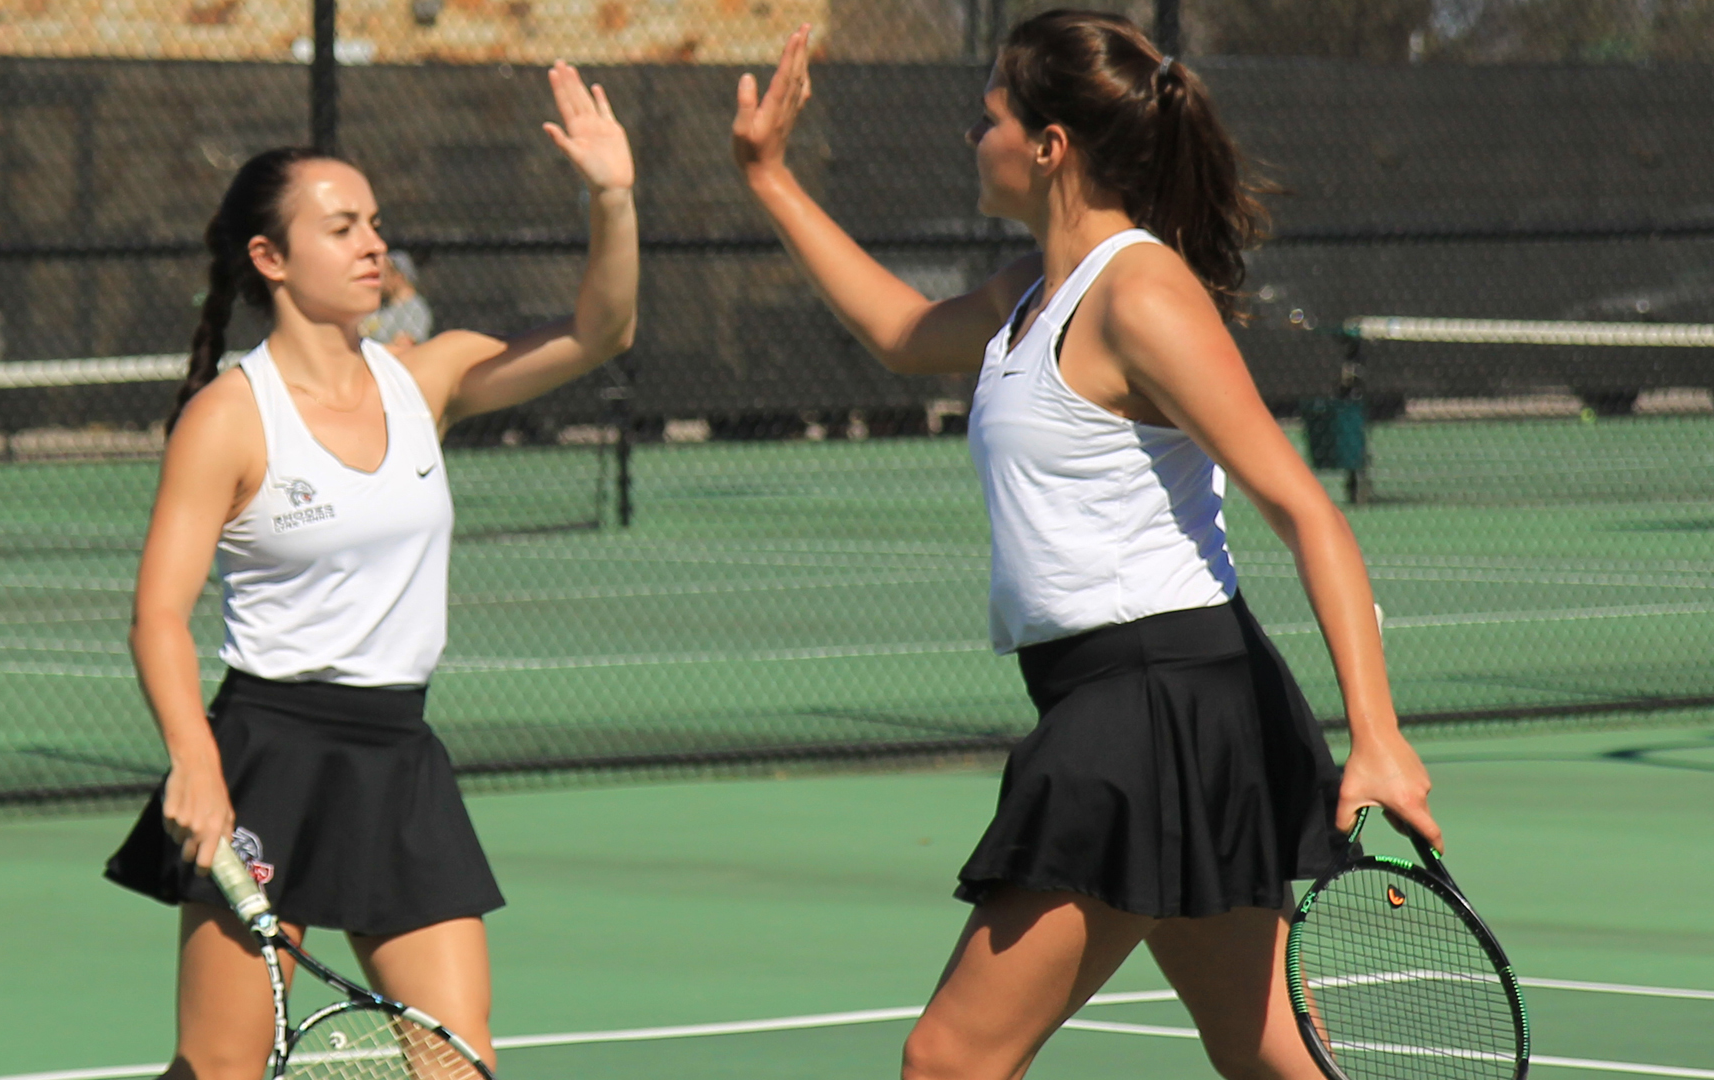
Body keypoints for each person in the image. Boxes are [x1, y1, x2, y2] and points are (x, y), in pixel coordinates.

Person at [732, 15, 1437, 1080]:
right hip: (1146, 703)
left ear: (1050, 144)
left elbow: (1305, 506)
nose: (974, 137)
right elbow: (899, 332)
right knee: (1271, 1056)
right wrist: (768, 176)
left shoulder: (1142, 293)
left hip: (1154, 702)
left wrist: (1376, 736)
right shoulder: (1029, 290)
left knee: (948, 1061)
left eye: (991, 119)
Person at [104, 61, 635, 1079]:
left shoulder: (426, 377)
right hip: (268, 758)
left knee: (458, 1065)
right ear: (270, 255)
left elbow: (601, 331)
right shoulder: (228, 418)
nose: (373, 244)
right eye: (341, 226)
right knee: (217, 1070)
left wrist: (611, 199)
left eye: (375, 223)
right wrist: (197, 763)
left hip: (399, 759)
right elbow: (158, 616)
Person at [363, 250, 435, 355]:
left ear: (399, 276)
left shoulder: (414, 309)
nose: (380, 281)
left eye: (385, 275)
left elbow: (403, 347)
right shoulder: (382, 306)